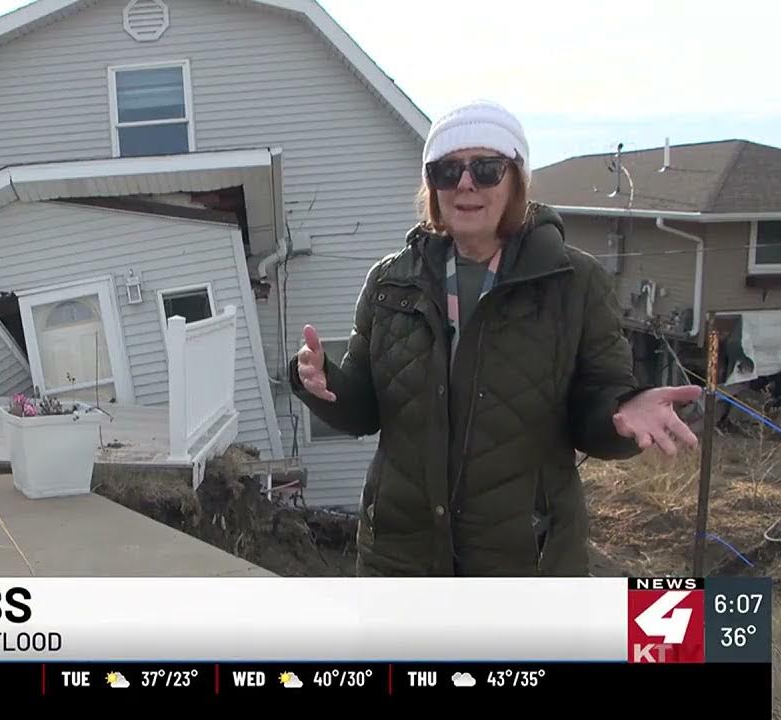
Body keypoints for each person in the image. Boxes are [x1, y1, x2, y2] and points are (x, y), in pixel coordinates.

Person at [289, 101, 701, 577]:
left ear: (515, 182)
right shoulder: (390, 281)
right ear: (433, 187)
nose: (466, 183)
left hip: (525, 565)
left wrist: (621, 413)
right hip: (401, 562)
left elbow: (596, 405)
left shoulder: (574, 281)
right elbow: (364, 409)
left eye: (486, 169)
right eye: (447, 170)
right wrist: (318, 381)